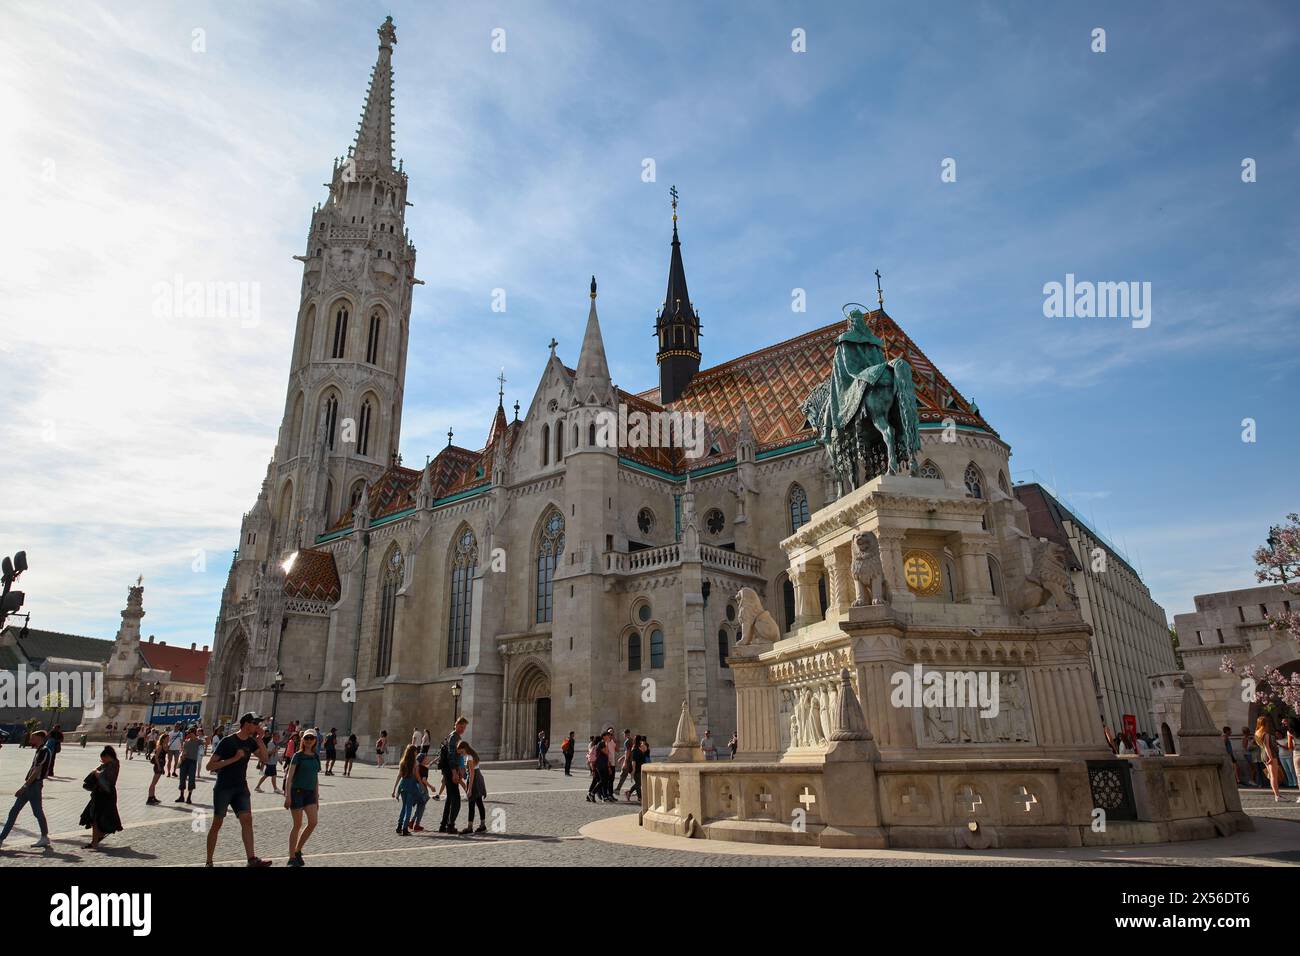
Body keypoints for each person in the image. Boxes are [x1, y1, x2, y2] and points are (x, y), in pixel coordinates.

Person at [204, 712, 273, 867]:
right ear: (247, 723)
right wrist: (234, 759)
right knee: (217, 823)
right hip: (224, 787)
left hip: (241, 787)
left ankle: (251, 859)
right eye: (256, 723)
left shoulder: (251, 742)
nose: (258, 726)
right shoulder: (228, 742)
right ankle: (209, 861)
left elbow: (265, 759)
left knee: (247, 820)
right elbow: (210, 766)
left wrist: (260, 740)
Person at [0, 729, 52, 849]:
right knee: (15, 811)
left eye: (32, 738)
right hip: (31, 785)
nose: (30, 740)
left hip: (34, 786)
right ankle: (1, 838)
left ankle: (45, 837)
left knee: (37, 812)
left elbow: (36, 771)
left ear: (39, 738)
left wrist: (24, 787)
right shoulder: (40, 750)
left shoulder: (44, 751)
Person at [283, 729, 321, 866]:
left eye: (311, 738)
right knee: (297, 825)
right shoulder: (298, 756)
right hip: (297, 792)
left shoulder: (316, 757)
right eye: (306, 738)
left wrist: (317, 797)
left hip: (310, 793)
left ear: (315, 740)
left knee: (313, 822)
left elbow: (315, 777)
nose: (309, 740)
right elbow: (289, 777)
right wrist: (287, 796)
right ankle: (292, 857)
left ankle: (298, 850)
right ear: (303, 740)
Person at [79, 746, 123, 850]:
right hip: (103, 794)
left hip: (104, 794)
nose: (102, 761)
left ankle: (95, 841)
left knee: (96, 818)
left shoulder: (112, 765)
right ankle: (96, 838)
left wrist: (95, 772)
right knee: (96, 818)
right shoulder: (111, 764)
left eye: (103, 759)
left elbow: (101, 777)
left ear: (108, 756)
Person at [437, 717, 468, 834]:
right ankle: (450, 825)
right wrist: (455, 773)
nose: (463, 730)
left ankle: (443, 825)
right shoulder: (454, 737)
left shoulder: (453, 736)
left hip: (448, 770)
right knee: (456, 800)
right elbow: (451, 756)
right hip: (450, 771)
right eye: (462, 727)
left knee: (449, 799)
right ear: (456, 725)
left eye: (464, 728)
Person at [393, 744, 422, 836]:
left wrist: (394, 789)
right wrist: (421, 784)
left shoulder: (402, 762)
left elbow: (399, 776)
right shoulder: (415, 763)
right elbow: (416, 775)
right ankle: (405, 828)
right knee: (408, 808)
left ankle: (399, 826)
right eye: (416, 751)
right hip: (411, 786)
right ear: (413, 752)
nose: (416, 753)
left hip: (403, 786)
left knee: (404, 807)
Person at [459, 741, 487, 834]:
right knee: (479, 803)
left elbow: (472, 773)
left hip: (474, 780)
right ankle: (482, 825)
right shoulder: (471, 755)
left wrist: (469, 789)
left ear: (464, 748)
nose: (461, 753)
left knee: (471, 804)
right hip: (478, 779)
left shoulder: (469, 757)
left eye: (461, 751)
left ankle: (470, 827)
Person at [1257, 716, 1283, 802]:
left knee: (1272, 775)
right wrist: (1271, 757)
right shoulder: (1265, 734)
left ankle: (1277, 794)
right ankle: (1277, 795)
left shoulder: (1257, 733)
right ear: (1265, 723)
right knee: (1273, 776)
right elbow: (1267, 747)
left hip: (1262, 754)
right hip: (1269, 754)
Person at [177, 726, 201, 803]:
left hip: (192, 762)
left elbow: (207, 741)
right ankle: (181, 796)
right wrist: (181, 758)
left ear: (193, 733)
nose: (187, 734)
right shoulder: (186, 742)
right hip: (185, 761)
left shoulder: (198, 741)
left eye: (189, 733)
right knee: (182, 778)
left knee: (191, 779)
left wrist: (200, 735)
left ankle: (189, 797)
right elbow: (184, 752)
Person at [146, 729, 170, 805]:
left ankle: (152, 796)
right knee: (153, 783)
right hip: (158, 765)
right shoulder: (160, 746)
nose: (168, 739)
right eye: (167, 738)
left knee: (155, 783)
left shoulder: (165, 746)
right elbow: (156, 757)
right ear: (163, 739)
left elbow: (166, 752)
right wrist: (159, 766)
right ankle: (149, 798)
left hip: (161, 764)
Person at [627, 736, 649, 802]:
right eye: (640, 740)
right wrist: (633, 770)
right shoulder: (635, 749)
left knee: (638, 783)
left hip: (640, 768)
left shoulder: (639, 748)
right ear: (639, 741)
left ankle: (629, 792)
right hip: (636, 769)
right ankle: (639, 797)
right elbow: (633, 761)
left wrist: (643, 744)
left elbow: (645, 750)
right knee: (638, 784)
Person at [613, 729, 634, 794]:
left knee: (623, 775)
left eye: (624, 734)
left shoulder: (627, 742)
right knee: (635, 776)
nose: (623, 736)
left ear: (625, 734)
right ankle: (637, 789)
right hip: (632, 760)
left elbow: (627, 752)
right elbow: (629, 752)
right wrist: (622, 758)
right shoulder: (632, 740)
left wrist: (625, 761)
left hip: (628, 761)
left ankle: (618, 789)